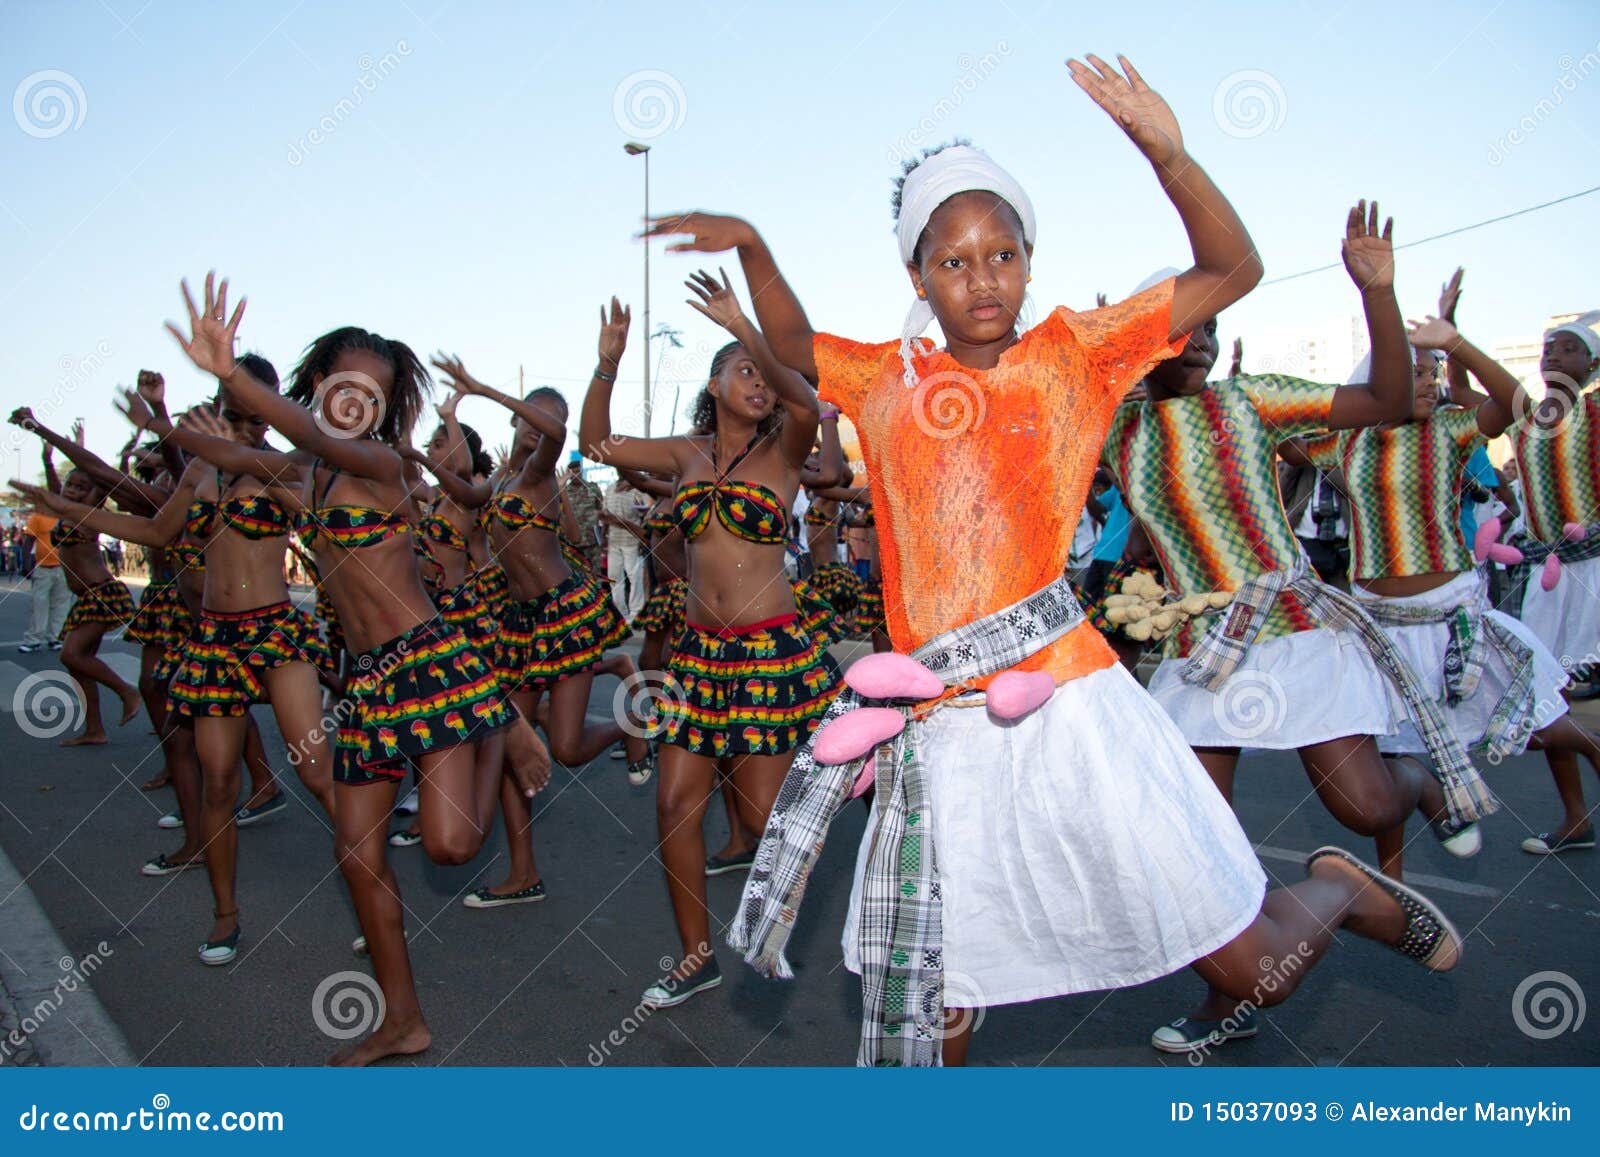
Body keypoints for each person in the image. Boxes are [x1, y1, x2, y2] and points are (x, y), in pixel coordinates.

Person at [651, 55, 1467, 1068]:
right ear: (917, 277)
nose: (980, 276)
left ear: (1029, 260)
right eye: (952, 260)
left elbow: (1230, 270)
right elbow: (785, 339)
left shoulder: (1075, 354)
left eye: (1001, 253)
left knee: (1243, 959)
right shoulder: (880, 381)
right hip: (942, 729)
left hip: (1069, 705)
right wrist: (758, 249)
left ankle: (1338, 887)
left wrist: (1169, 155)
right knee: (930, 991)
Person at [163, 273, 519, 1065]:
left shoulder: (378, 465)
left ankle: (499, 731)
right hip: (365, 681)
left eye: (376, 391)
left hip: (431, 665)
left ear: (386, 408)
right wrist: (168, 421)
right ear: (319, 382)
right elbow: (224, 450)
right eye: (344, 383)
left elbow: (316, 439)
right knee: (358, 854)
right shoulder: (300, 475)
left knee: (451, 848)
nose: (357, 398)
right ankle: (403, 1018)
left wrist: (228, 376)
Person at [581, 277, 842, 1011]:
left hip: (767, 651)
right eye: (743, 368)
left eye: (762, 370)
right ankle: (695, 956)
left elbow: (800, 398)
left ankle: (830, 817)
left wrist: (747, 326)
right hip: (698, 655)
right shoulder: (687, 455)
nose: (758, 381)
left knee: (763, 823)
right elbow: (597, 443)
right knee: (673, 804)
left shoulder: (786, 449)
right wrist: (608, 362)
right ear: (714, 381)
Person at [1292, 313, 1600, 866]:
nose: (1432, 384)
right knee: (1390, 750)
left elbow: (1514, 404)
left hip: (1452, 620)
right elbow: (1278, 435)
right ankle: (1395, 880)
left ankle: (1579, 809)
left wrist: (1455, 342)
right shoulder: (1341, 445)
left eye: (1435, 374)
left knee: (1549, 729)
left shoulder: (1450, 432)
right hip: (1381, 627)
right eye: (1417, 374)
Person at [1500, 313, 1600, 850]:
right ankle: (1576, 818)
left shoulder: (1597, 412)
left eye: (1568, 348)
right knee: (1549, 699)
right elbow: (1477, 400)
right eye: (1548, 349)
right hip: (1547, 575)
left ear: (1593, 366)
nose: (1553, 356)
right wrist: (1449, 327)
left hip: (1596, 567)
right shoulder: (1523, 423)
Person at [10, 468, 142, 744]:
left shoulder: (90, 515)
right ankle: (95, 730)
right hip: (87, 597)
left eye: (81, 487)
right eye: (70, 485)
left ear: (93, 495)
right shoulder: (67, 511)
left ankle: (126, 690)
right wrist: (47, 459)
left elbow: (102, 484)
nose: (72, 490)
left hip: (101, 594)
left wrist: (121, 459)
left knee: (70, 655)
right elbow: (59, 489)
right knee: (79, 665)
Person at [19, 445, 71, 652]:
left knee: (61, 605)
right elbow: (27, 542)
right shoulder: (38, 516)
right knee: (39, 604)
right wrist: (26, 563)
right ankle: (33, 639)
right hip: (43, 567)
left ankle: (55, 638)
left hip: (63, 567)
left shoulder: (66, 514)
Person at [601, 473, 650, 621]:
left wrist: (643, 539)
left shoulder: (637, 490)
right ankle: (620, 614)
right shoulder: (609, 489)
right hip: (613, 540)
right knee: (614, 577)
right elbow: (605, 516)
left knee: (634, 576)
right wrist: (603, 538)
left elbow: (644, 513)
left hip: (631, 540)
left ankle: (636, 613)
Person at [562, 456, 605, 573]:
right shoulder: (563, 491)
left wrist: (603, 537)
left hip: (592, 541)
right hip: (572, 543)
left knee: (596, 574)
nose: (576, 474)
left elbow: (602, 513)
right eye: (573, 472)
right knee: (575, 575)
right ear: (569, 474)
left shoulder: (593, 488)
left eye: (578, 471)